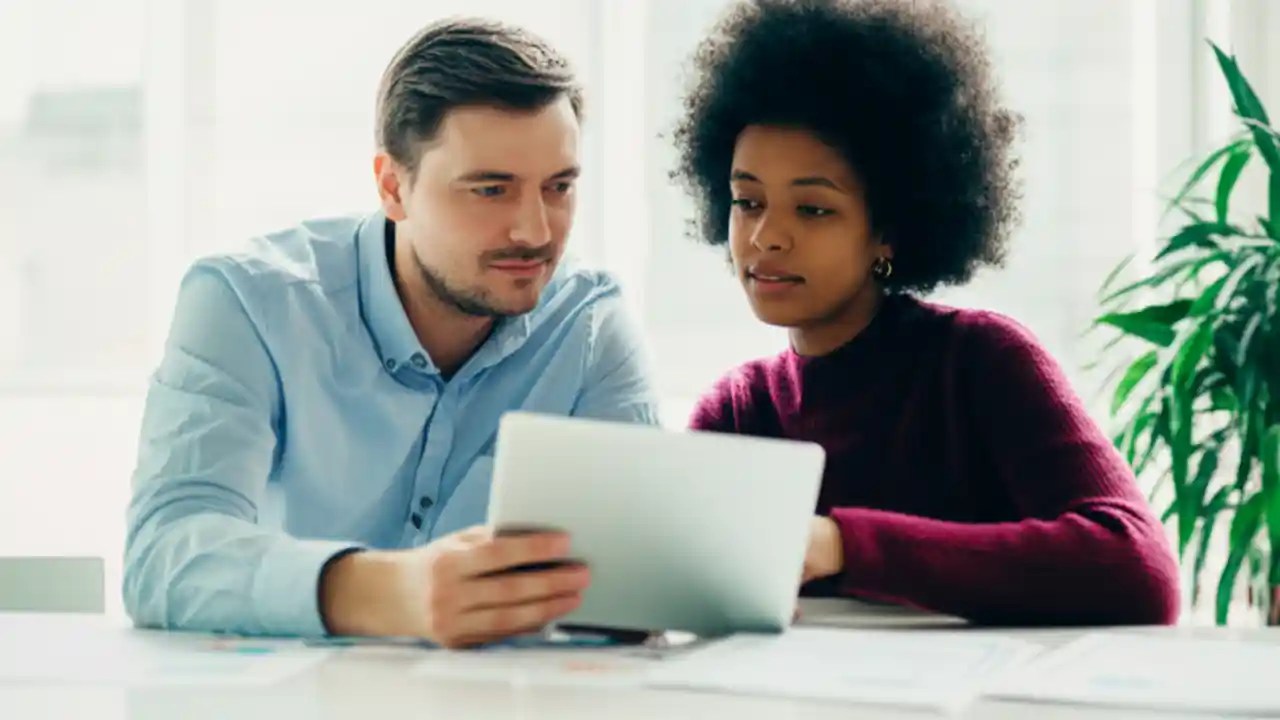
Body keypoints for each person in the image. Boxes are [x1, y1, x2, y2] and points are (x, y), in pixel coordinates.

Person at [124, 18, 658, 648]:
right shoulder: (246, 303)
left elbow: (640, 571)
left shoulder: (589, 323)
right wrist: (386, 591)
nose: (535, 231)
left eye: (559, 187)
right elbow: (162, 553)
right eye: (490, 190)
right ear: (392, 187)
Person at [673, 0, 1180, 625]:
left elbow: (1139, 573)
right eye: (747, 202)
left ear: (888, 230)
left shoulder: (980, 362)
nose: (764, 237)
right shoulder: (737, 410)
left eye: (813, 209)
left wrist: (842, 545)